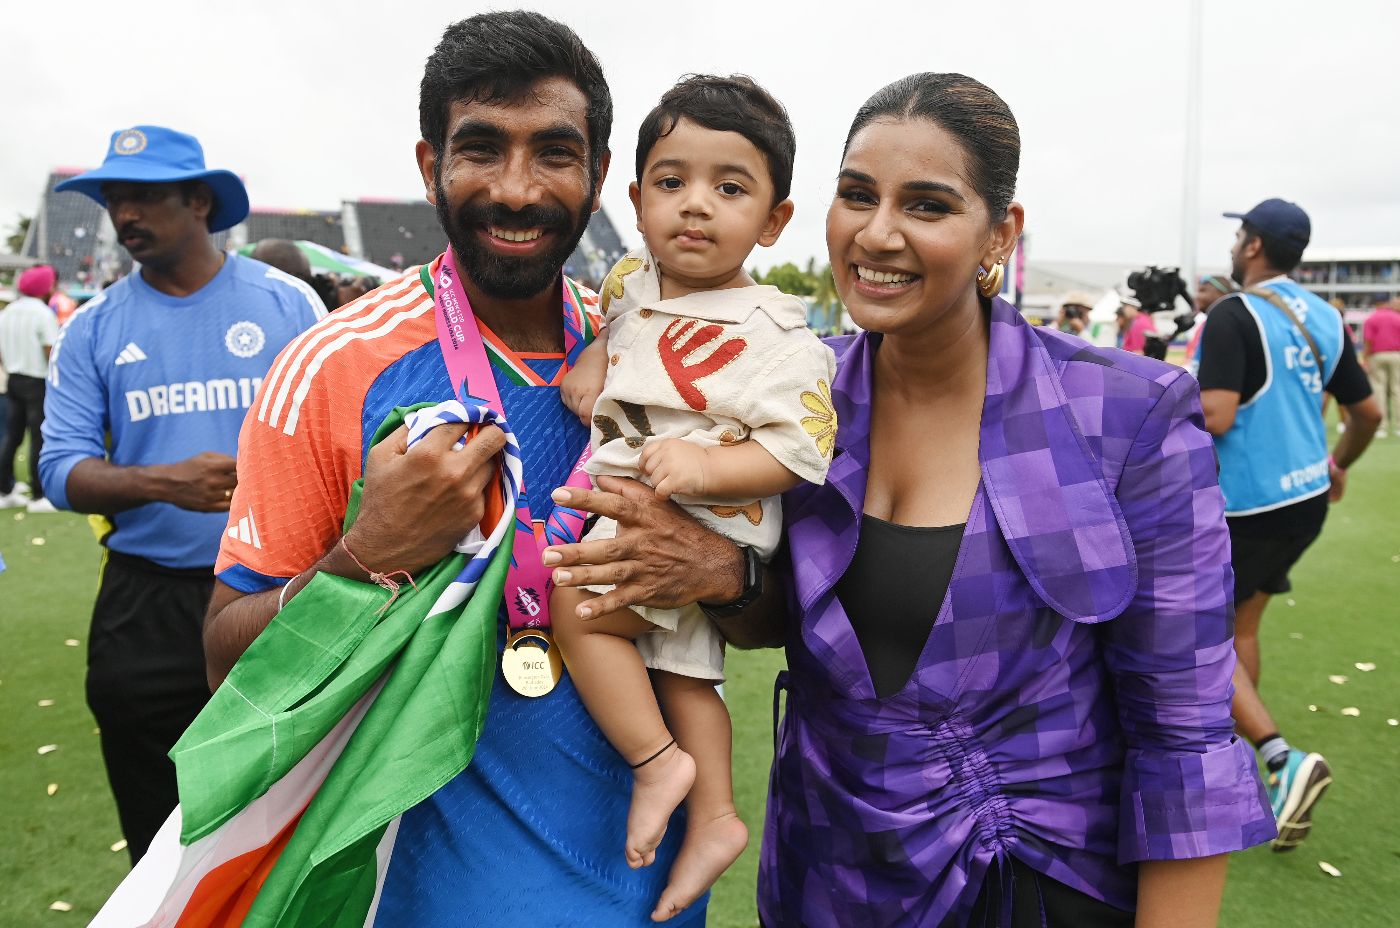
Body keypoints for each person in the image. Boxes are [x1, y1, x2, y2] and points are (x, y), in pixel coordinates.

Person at [547, 72, 1275, 927]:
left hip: (1037, 884)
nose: (877, 233)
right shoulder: (792, 392)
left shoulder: (1120, 414)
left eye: (926, 205)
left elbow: (1183, 735)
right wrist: (720, 573)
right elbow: (771, 627)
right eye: (857, 195)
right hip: (828, 871)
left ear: (999, 233)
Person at [201, 13, 712, 925]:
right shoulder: (336, 367)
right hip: (428, 893)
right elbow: (224, 663)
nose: (516, 190)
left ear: (599, 180)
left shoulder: (649, 354)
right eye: (481, 149)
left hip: (653, 879)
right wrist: (366, 560)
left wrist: (716, 567)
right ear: (428, 164)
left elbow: (760, 612)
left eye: (554, 153)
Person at [552, 74, 835, 921]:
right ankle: (713, 815)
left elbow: (799, 451)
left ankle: (655, 765)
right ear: (635, 200)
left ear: (774, 219)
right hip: (646, 504)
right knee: (685, 681)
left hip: (709, 523)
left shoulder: (779, 333)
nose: (696, 206)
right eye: (672, 183)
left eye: (730, 187)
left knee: (579, 612)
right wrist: (594, 366)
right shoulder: (632, 284)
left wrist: (706, 470)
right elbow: (617, 333)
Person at [38, 125, 326, 863]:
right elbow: (58, 470)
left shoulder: (288, 303)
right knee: (159, 840)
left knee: (285, 829)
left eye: (143, 196)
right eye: (113, 200)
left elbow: (343, 443)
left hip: (275, 596)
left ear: (200, 201)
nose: (124, 215)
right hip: (146, 602)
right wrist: (162, 482)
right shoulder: (92, 327)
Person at [1195, 197, 1380, 850]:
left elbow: (1215, 415)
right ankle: (1238, 763)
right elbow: (1368, 414)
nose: (1235, 244)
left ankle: (1280, 759)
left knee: (1195, 639)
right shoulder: (1325, 314)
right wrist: (1336, 462)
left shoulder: (1232, 313)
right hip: (1303, 500)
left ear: (1251, 247)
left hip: (1244, 502)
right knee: (1241, 625)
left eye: (1239, 234)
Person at [0, 264, 61, 512]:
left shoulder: (8, 311)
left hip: (13, 377)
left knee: (11, 436)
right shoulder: (42, 313)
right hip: (36, 381)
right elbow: (51, 351)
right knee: (39, 437)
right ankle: (39, 494)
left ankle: (4, 489)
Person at [1362, 298, 1400, 436]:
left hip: (1377, 355)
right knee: (1397, 389)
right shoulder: (1397, 317)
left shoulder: (1372, 318)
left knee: (1379, 390)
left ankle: (1382, 427)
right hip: (1397, 355)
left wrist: (1365, 358)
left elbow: (1368, 341)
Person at [1183, 273, 1237, 369]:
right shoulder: (1204, 323)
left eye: (1202, 291)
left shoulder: (1226, 324)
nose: (1196, 296)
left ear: (1222, 294)